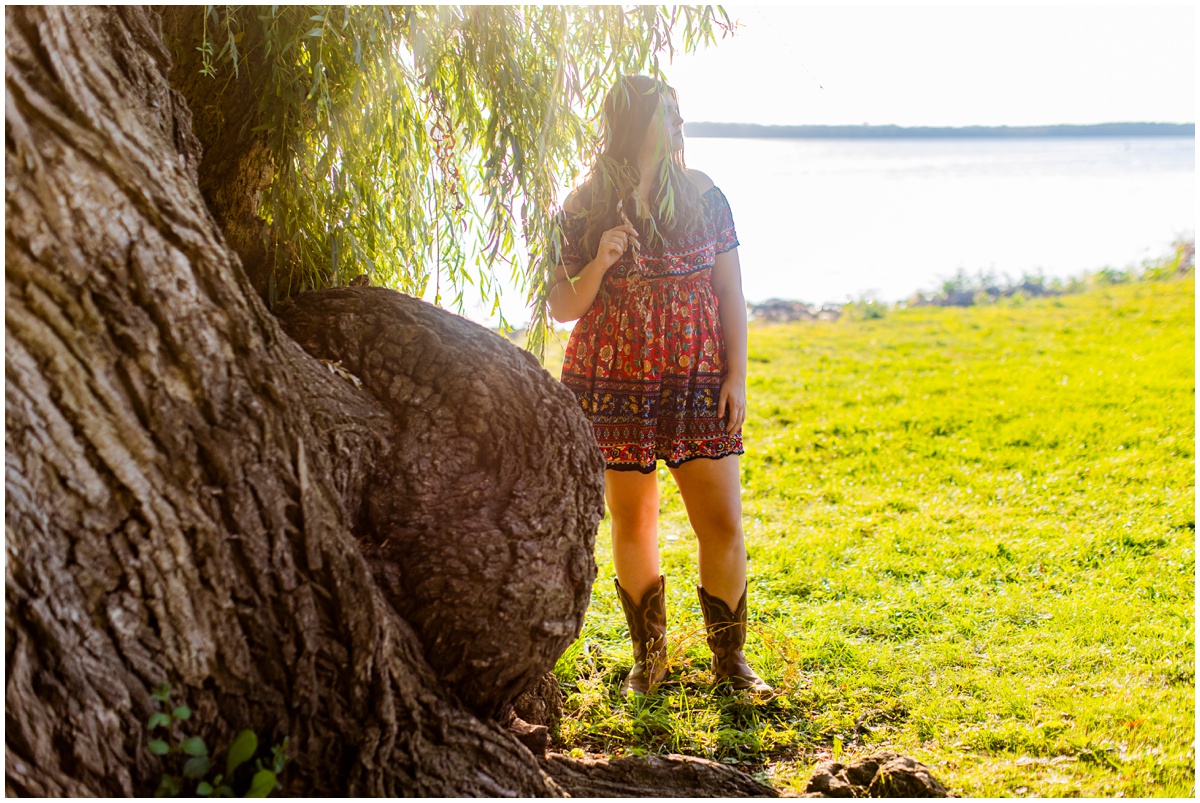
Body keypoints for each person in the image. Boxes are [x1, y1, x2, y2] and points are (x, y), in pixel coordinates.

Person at [546, 75, 771, 695]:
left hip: (698, 375)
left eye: (678, 112)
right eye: (665, 113)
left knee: (722, 521)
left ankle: (731, 665)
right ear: (632, 122)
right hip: (614, 379)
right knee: (634, 521)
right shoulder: (584, 204)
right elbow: (562, 304)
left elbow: (730, 292)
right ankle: (652, 661)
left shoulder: (705, 196)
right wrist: (601, 259)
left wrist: (737, 376)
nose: (677, 122)